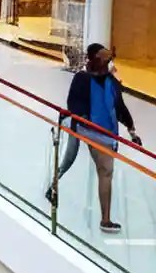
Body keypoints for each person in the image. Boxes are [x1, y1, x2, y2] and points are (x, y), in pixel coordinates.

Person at [47, 43, 140, 233]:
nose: (107, 62)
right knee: (68, 159)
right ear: (93, 59)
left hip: (105, 133)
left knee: (105, 171)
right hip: (83, 129)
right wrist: (82, 117)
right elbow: (73, 103)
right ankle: (53, 184)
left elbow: (120, 108)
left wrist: (131, 130)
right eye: (103, 58)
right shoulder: (82, 78)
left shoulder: (111, 82)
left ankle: (105, 220)